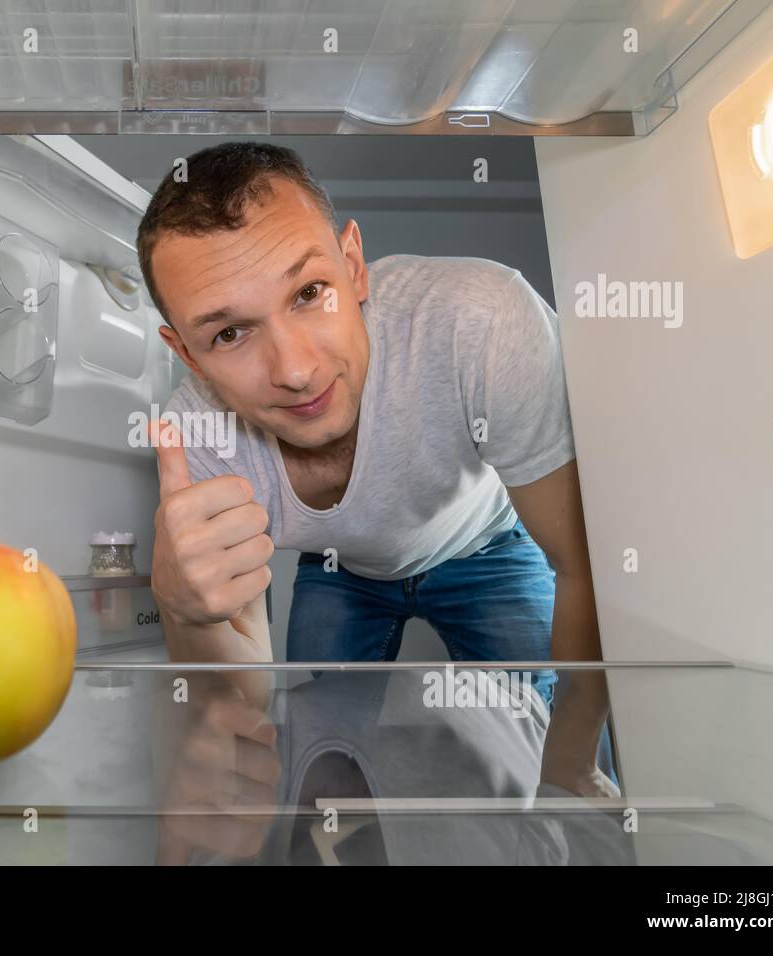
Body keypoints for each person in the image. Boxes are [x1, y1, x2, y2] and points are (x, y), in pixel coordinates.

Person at [142, 142, 617, 801]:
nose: (296, 369)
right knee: (317, 745)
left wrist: (569, 772)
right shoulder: (196, 436)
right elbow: (242, 700)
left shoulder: (479, 319)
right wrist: (182, 608)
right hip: (344, 571)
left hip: (486, 545)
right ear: (187, 356)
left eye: (309, 292)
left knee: (538, 732)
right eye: (229, 334)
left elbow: (583, 564)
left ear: (355, 266)